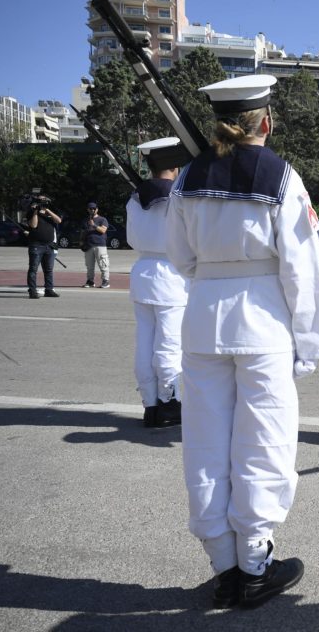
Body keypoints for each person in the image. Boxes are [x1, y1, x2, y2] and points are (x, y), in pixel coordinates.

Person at [166, 74, 319, 609]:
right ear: (265, 121)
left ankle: (224, 566)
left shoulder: (187, 178)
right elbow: (303, 268)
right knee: (264, 440)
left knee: (205, 443)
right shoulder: (280, 175)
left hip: (203, 319)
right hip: (262, 322)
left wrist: (215, 278)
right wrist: (309, 341)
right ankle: (255, 563)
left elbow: (180, 258)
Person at [128, 137, 191, 428]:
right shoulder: (179, 196)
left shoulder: (134, 198)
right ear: (175, 167)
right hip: (170, 276)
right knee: (169, 344)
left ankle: (150, 405)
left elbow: (131, 238)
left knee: (145, 343)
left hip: (143, 271)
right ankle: (169, 402)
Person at [23, 194, 61, 299]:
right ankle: (32, 291)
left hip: (49, 245)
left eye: (44, 200)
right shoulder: (31, 212)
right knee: (33, 269)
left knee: (48, 269)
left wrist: (47, 210)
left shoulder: (50, 212)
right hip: (36, 245)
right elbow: (33, 225)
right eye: (40, 201)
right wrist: (36, 211)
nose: (42, 202)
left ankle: (49, 290)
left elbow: (58, 220)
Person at [81, 202, 110, 288]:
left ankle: (105, 281)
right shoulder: (85, 220)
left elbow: (103, 230)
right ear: (88, 210)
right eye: (90, 208)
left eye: (94, 208)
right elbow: (83, 232)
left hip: (100, 245)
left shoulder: (102, 219)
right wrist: (81, 242)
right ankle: (90, 281)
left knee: (103, 264)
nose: (92, 210)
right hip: (88, 245)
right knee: (89, 266)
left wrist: (94, 225)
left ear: (97, 209)